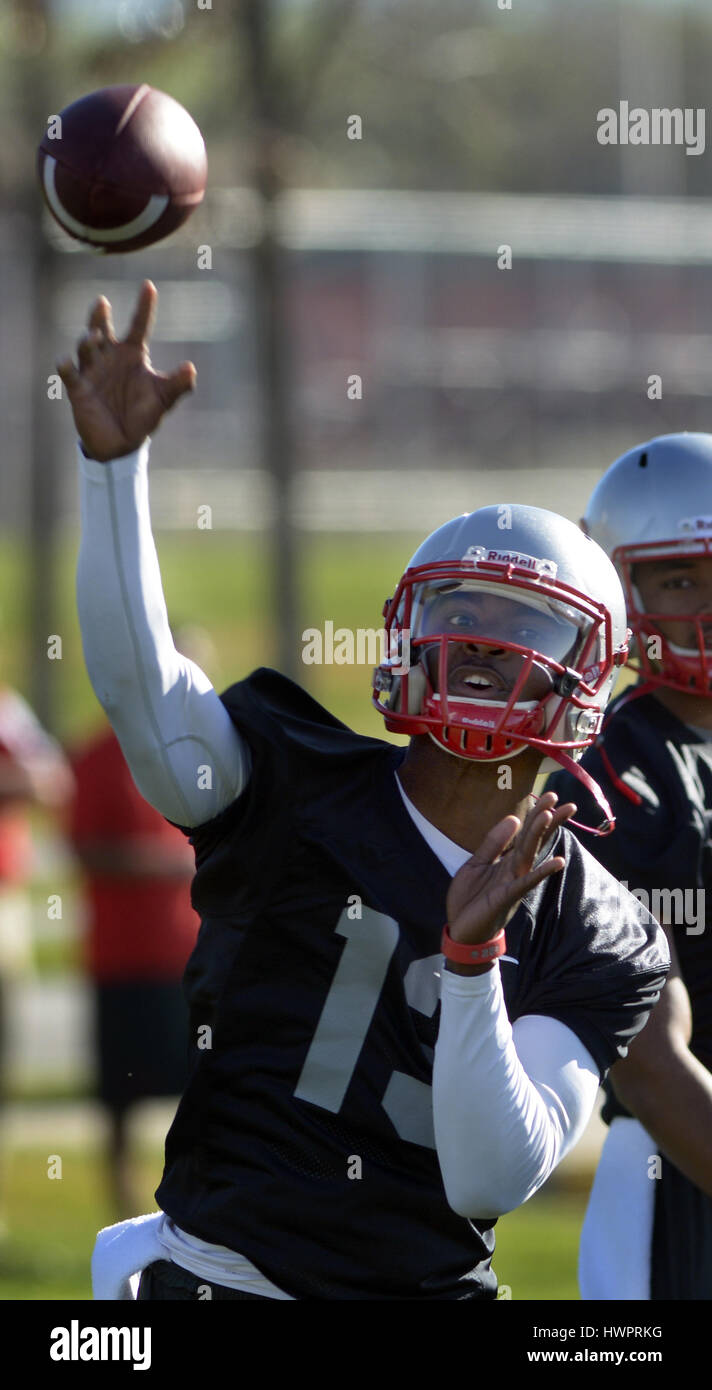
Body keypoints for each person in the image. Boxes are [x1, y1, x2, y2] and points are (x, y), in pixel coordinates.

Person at [60, 282, 669, 1301]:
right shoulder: (295, 783)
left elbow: (491, 1175)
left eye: (523, 626)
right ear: (407, 632)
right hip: (226, 1279)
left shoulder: (598, 926)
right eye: (460, 612)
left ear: (591, 677)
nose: (480, 644)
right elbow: (142, 692)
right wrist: (113, 470)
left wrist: (472, 962)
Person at [547, 432, 712, 1300]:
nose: (710, 604)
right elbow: (649, 1057)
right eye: (681, 578)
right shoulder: (614, 768)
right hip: (679, 1170)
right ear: (617, 588)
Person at [69, 711, 201, 1219]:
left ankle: (194, 1200)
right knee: (121, 1092)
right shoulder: (98, 756)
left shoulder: (193, 750)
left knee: (197, 1081)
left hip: (185, 953)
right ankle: (121, 1205)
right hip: (122, 954)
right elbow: (83, 848)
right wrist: (161, 863)